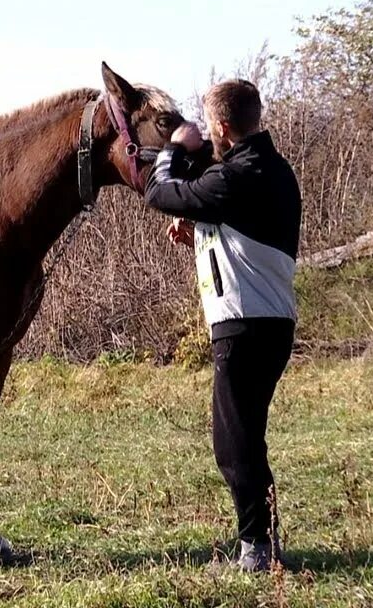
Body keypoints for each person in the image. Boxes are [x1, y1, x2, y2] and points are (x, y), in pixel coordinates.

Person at [142, 79, 301, 572]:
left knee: (235, 446)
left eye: (210, 127)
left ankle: (256, 551)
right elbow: (239, 227)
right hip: (267, 322)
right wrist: (203, 234)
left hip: (244, 326)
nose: (207, 135)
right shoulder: (267, 169)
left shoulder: (237, 176)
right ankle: (263, 544)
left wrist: (172, 149)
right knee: (247, 439)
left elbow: (159, 193)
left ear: (222, 126)